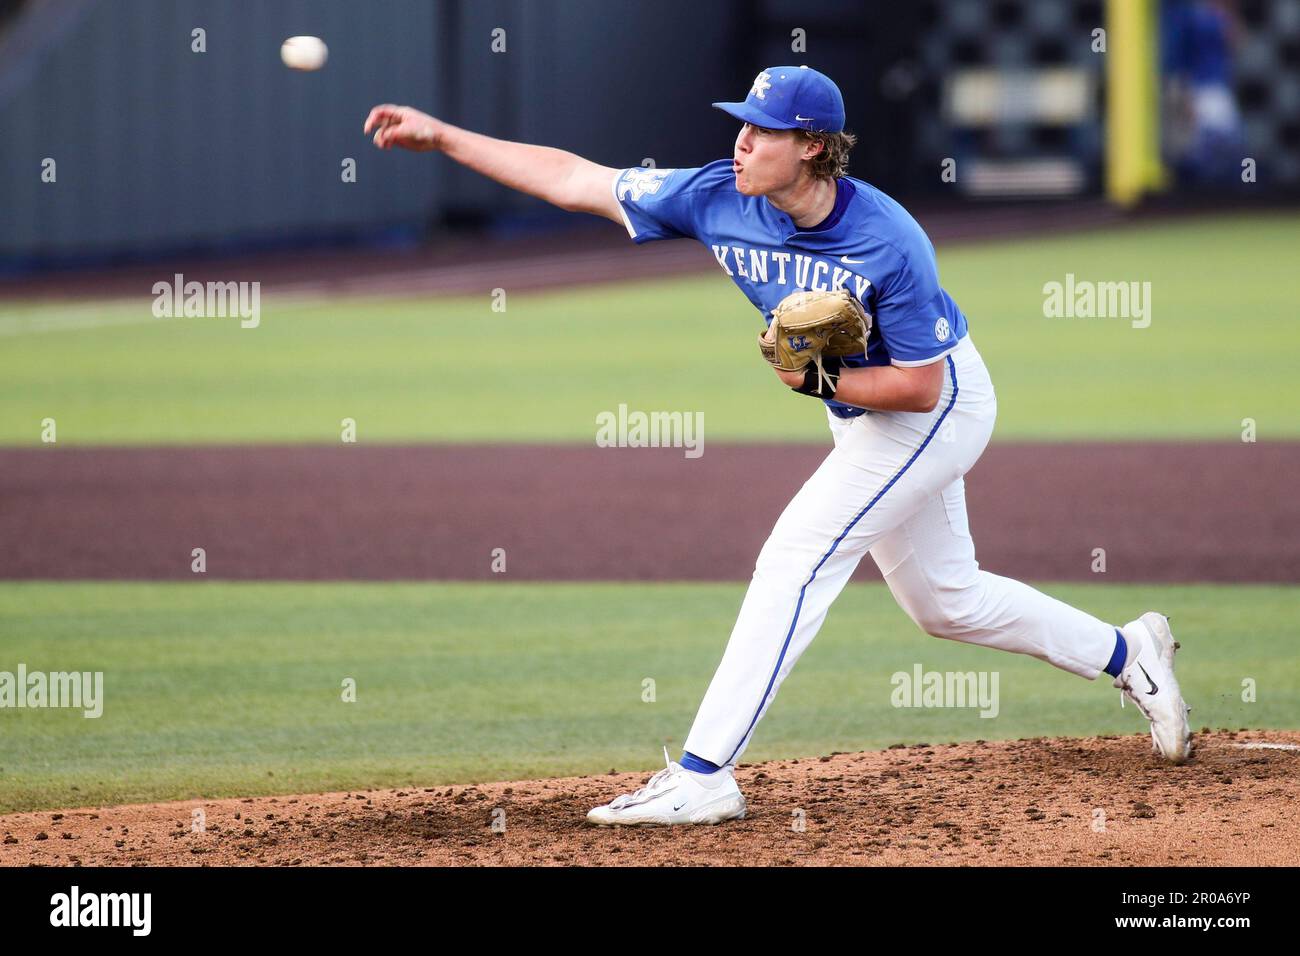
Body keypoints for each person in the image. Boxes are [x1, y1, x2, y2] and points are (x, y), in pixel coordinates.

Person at [364, 66, 1192, 828]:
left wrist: (821, 384)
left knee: (795, 555)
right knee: (946, 602)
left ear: (815, 149)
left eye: (764, 129)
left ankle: (705, 773)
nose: (743, 141)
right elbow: (578, 178)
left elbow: (921, 387)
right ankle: (1128, 652)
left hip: (932, 406)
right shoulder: (716, 194)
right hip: (870, 409)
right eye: (743, 124)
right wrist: (444, 137)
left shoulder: (888, 239)